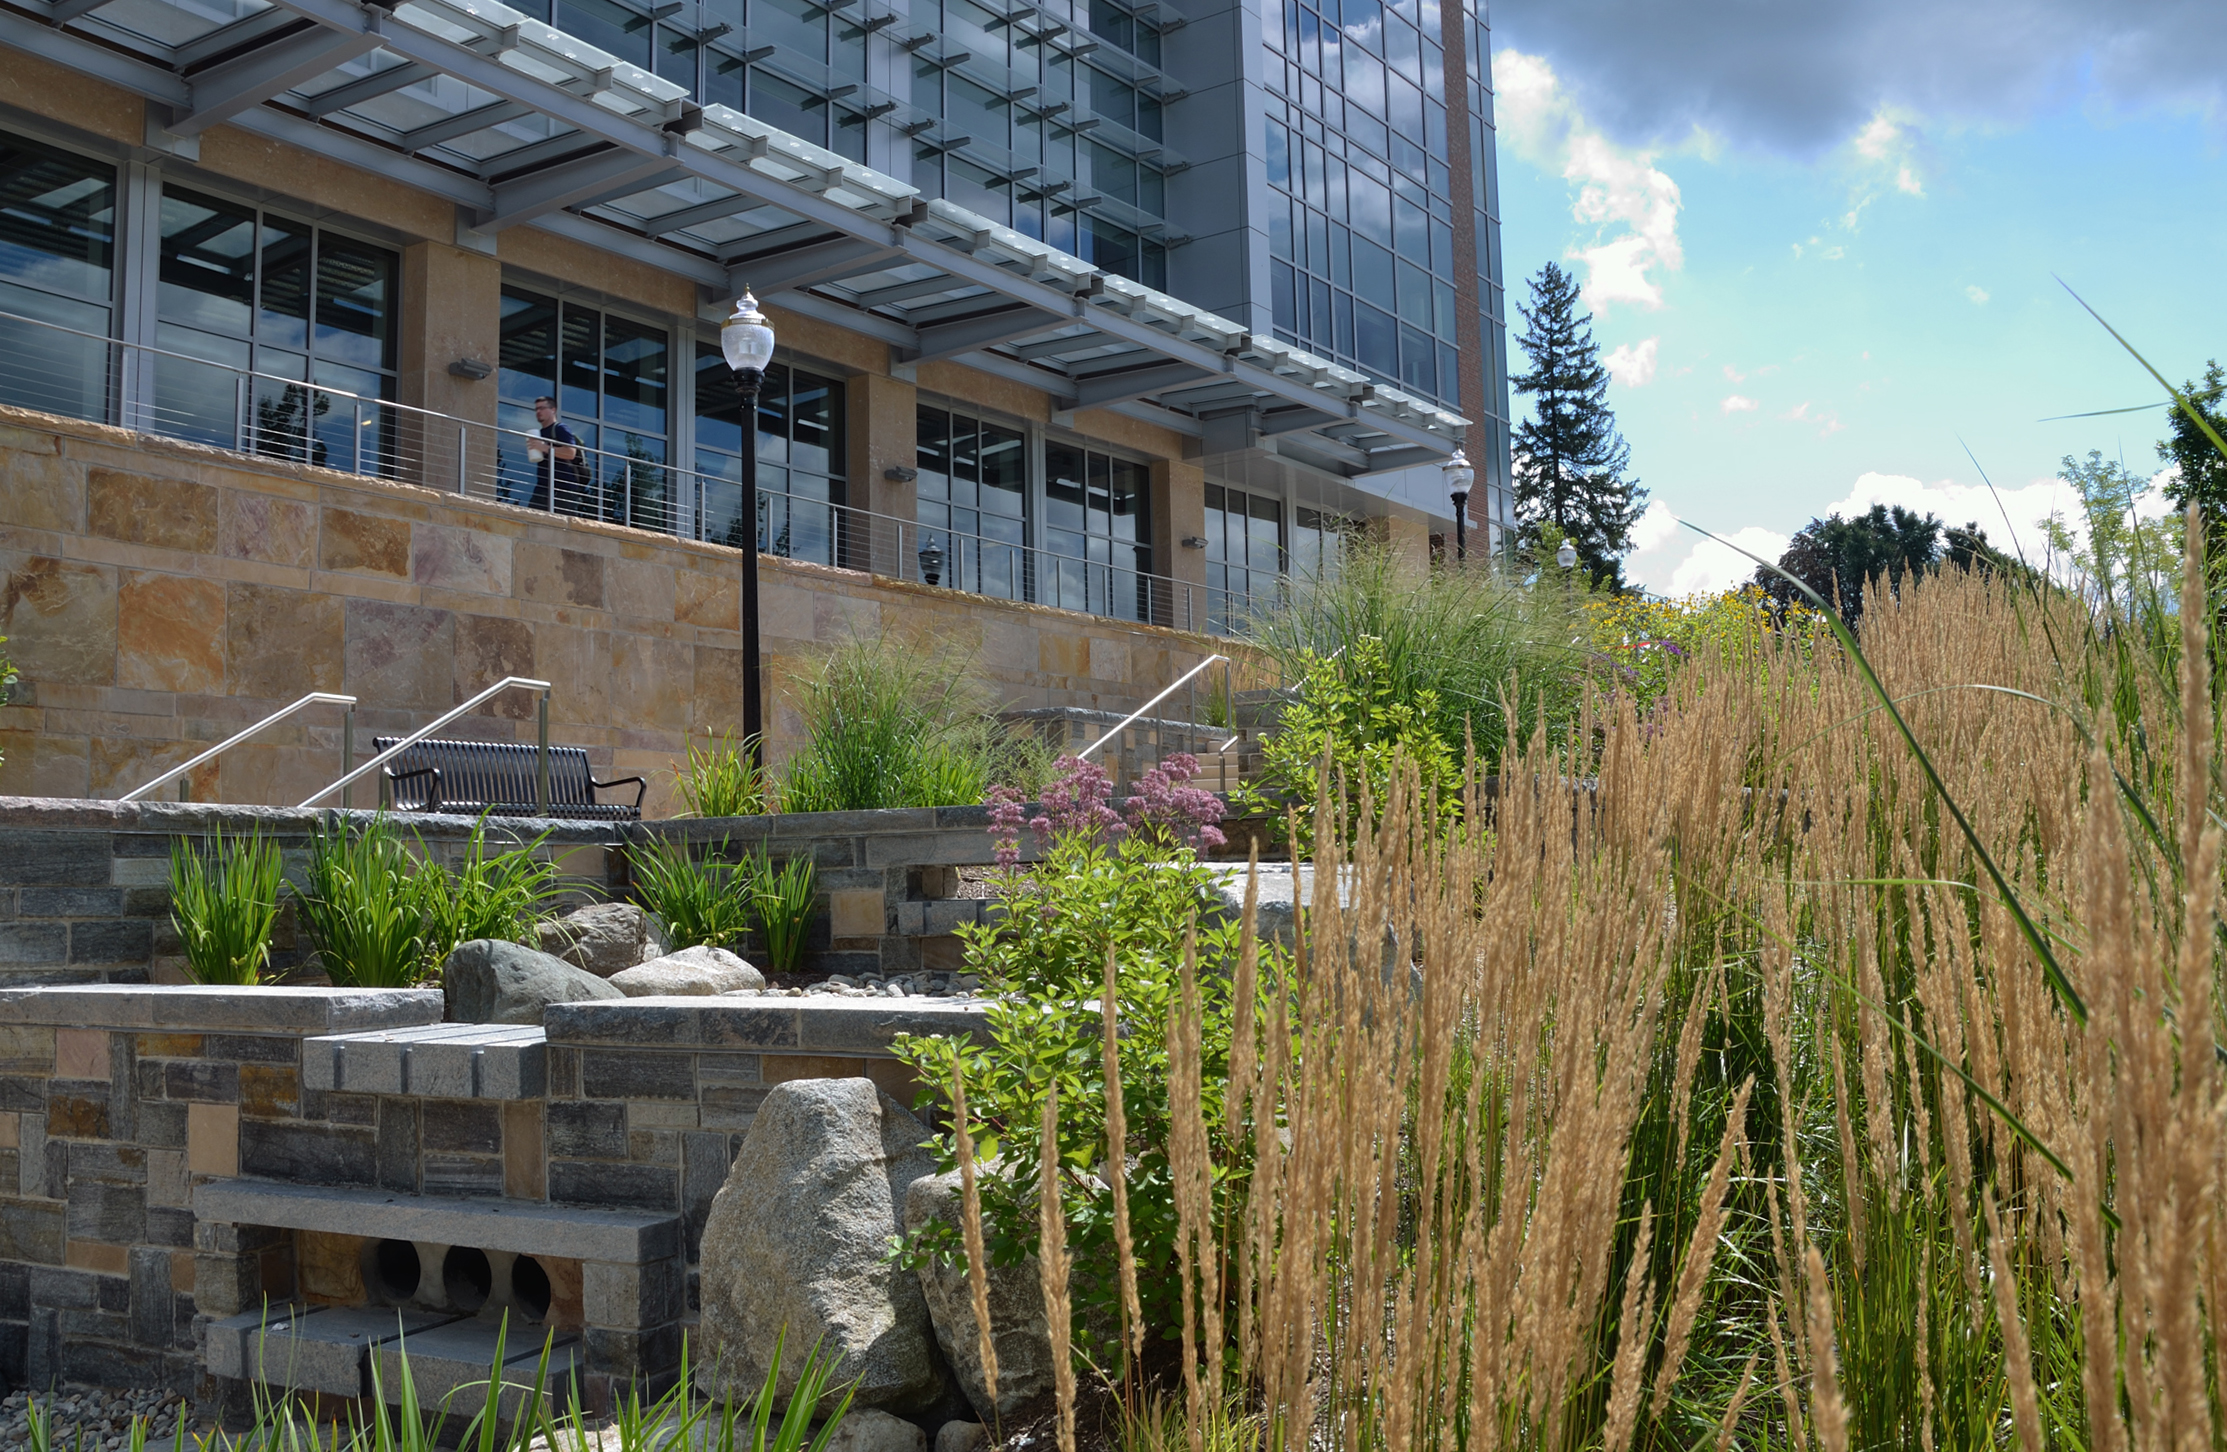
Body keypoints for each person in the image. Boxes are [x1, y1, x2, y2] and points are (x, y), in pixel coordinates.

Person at [524, 396, 589, 514]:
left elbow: (570, 453)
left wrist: (544, 447)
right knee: (531, 518)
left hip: (563, 488)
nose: (538, 412)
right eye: (536, 409)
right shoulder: (540, 433)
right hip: (543, 486)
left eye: (542, 408)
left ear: (553, 410)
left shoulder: (560, 428)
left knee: (561, 525)